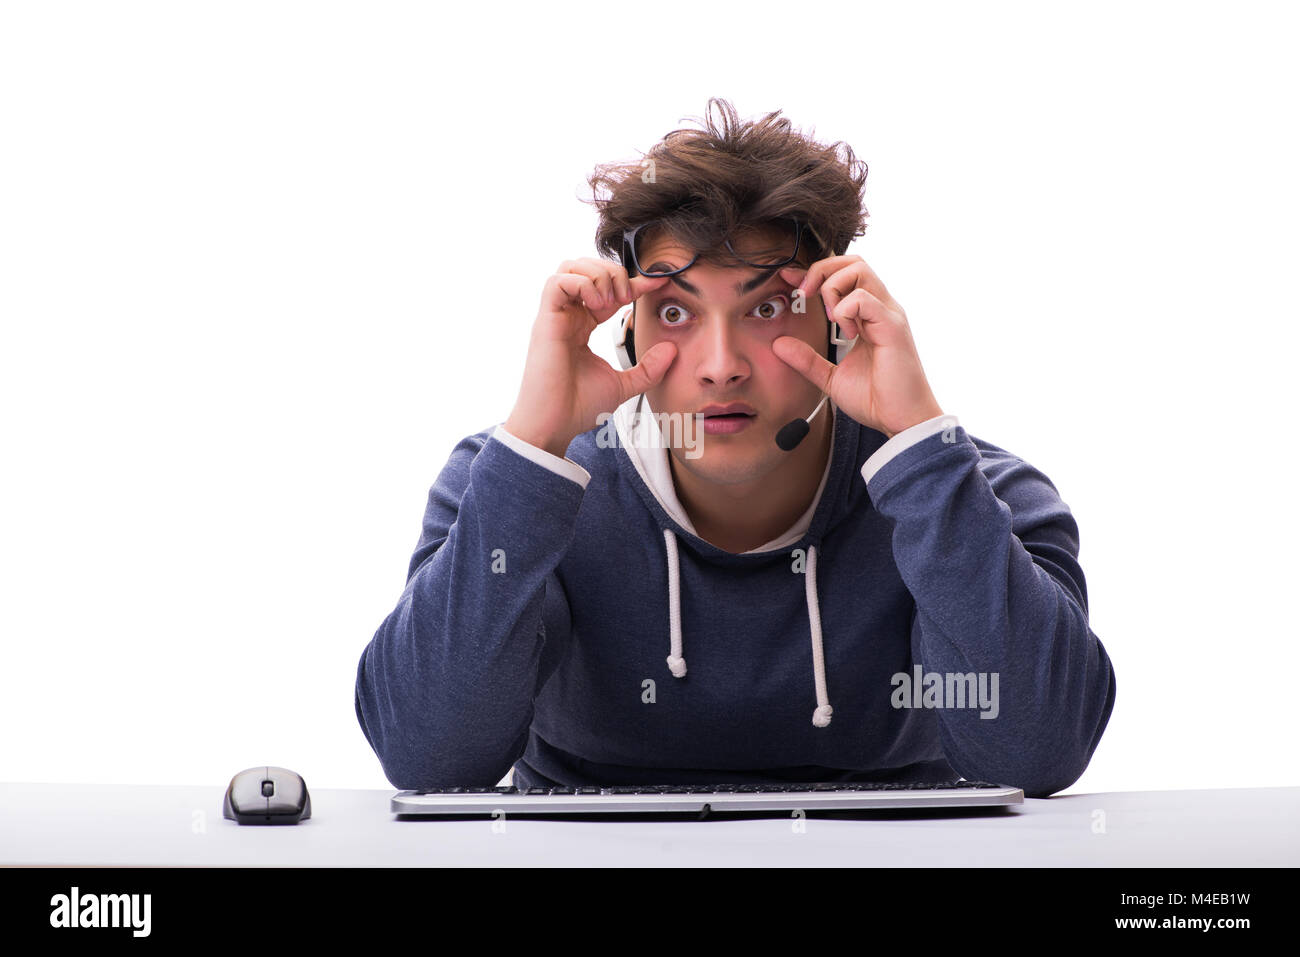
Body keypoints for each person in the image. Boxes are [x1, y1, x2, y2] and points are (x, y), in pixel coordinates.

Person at [353, 98, 1116, 798]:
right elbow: (428, 755)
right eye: (677, 310)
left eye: (768, 308)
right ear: (626, 333)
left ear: (837, 324)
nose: (722, 363)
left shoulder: (972, 490)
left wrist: (919, 443)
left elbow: (1036, 753)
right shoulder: (520, 481)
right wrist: (534, 443)